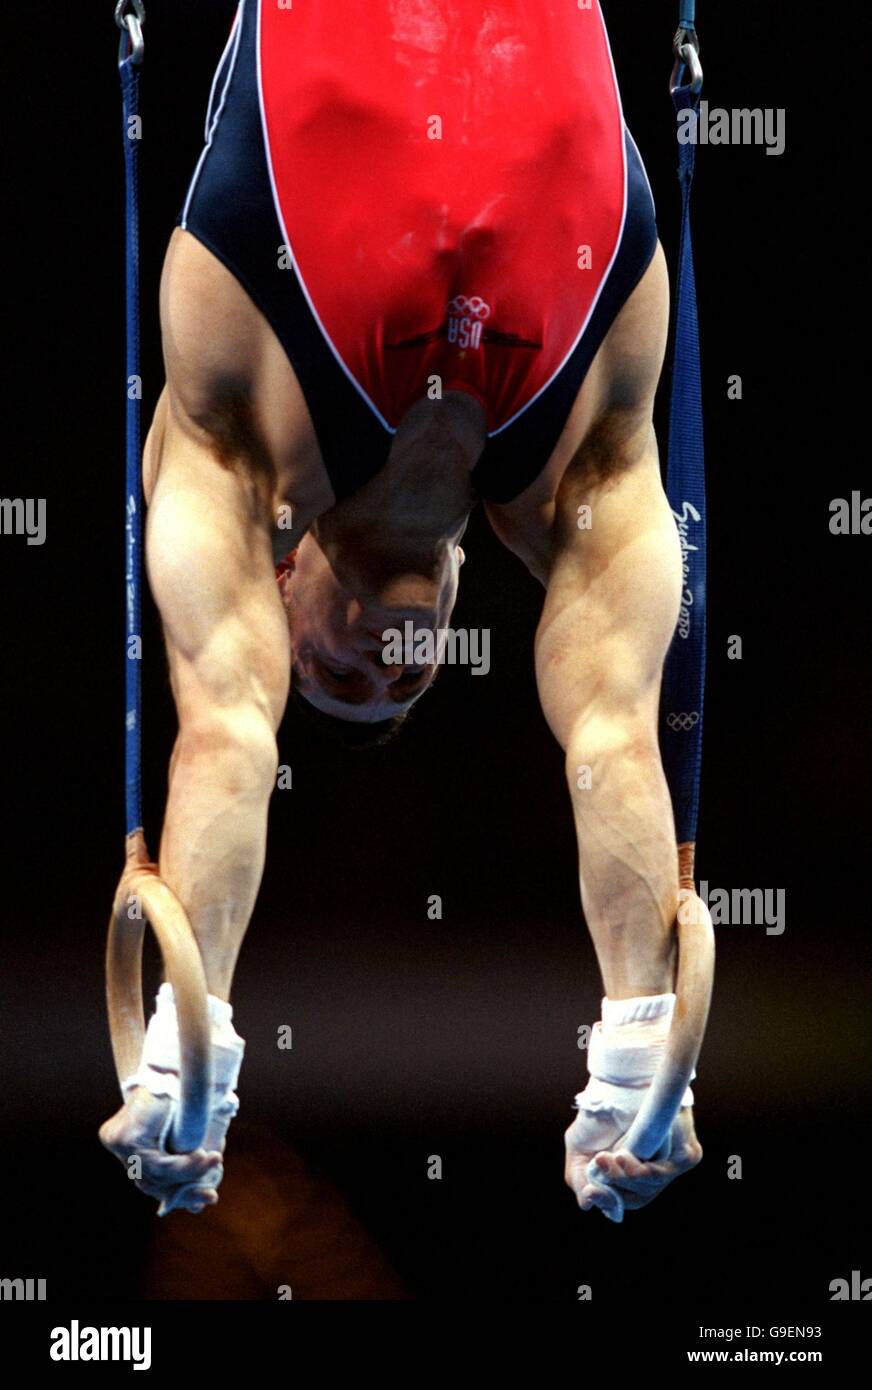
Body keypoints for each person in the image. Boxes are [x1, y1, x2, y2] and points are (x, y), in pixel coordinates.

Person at [100, 0, 705, 1223]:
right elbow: (613, 742)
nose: (382, 664)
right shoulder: (575, 468)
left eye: (338, 673)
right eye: (406, 684)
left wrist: (186, 1052)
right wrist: (646, 1064)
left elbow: (225, 727)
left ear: (278, 592)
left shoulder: (233, 436)